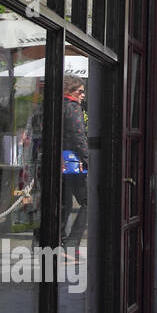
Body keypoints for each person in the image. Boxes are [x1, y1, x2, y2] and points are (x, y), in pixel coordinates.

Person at [60, 75, 90, 262]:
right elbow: (79, 137)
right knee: (89, 202)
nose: (83, 95)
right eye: (79, 91)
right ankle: (71, 245)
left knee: (64, 203)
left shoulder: (56, 106)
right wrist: (89, 158)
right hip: (74, 162)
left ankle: (55, 242)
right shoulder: (73, 108)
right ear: (69, 91)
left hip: (59, 162)